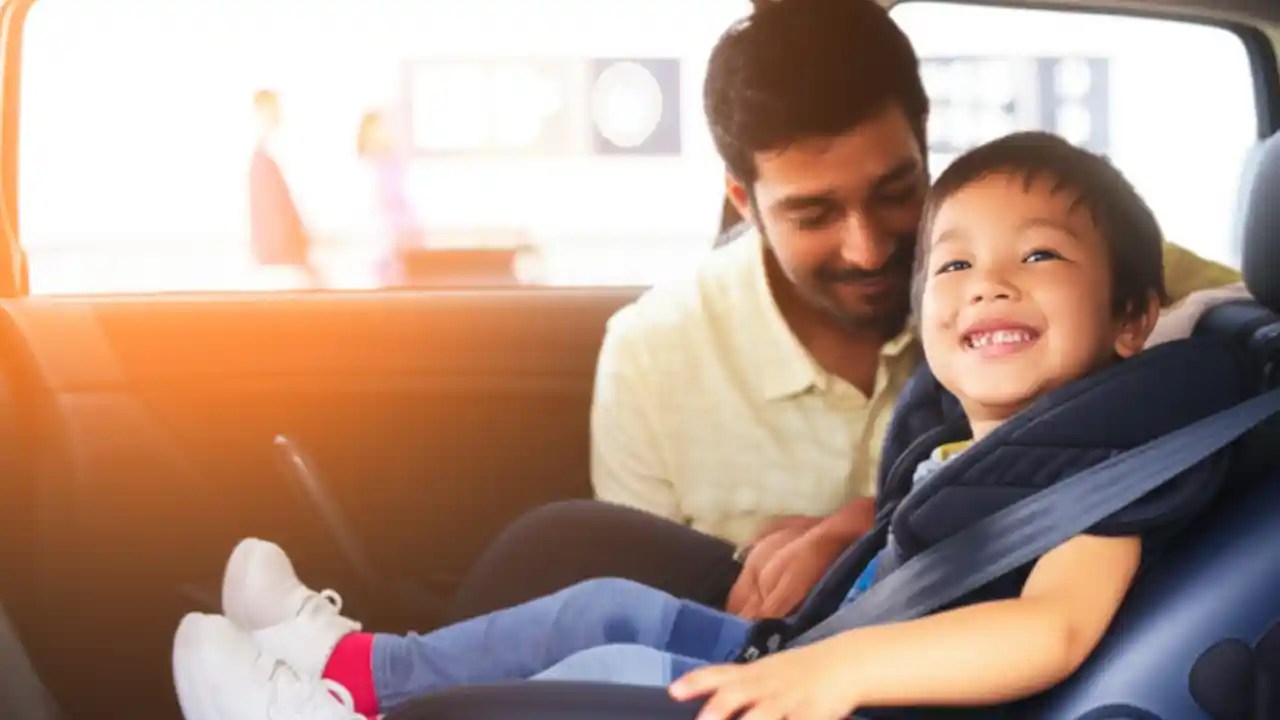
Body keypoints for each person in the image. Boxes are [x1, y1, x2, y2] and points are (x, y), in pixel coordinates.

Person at [171, 131, 1235, 720]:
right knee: (591, 610)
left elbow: (1050, 629)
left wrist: (841, 672)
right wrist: (820, 646)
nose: (986, 286)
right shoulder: (963, 441)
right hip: (812, 652)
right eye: (952, 264)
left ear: (1135, 317)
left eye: (1037, 257)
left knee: (592, 689)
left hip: (862, 698)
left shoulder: (1106, 462)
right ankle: (358, 670)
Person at [448, 0, 1246, 623]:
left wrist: (875, 518)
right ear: (744, 201)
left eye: (897, 193)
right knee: (554, 552)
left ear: (925, 145)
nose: (867, 249)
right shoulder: (654, 353)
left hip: (934, 648)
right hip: (774, 649)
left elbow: (1242, 311)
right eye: (813, 214)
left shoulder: (1056, 273)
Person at [248, 89, 317, 289]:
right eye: (272, 109)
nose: (277, 115)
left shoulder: (270, 156)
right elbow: (272, 215)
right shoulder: (262, 161)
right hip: (279, 261)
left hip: (284, 259)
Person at [354, 110, 425, 287]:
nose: (384, 133)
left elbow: (403, 204)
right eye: (379, 129)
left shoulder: (393, 166)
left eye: (386, 128)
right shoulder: (363, 168)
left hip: (398, 245)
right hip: (375, 247)